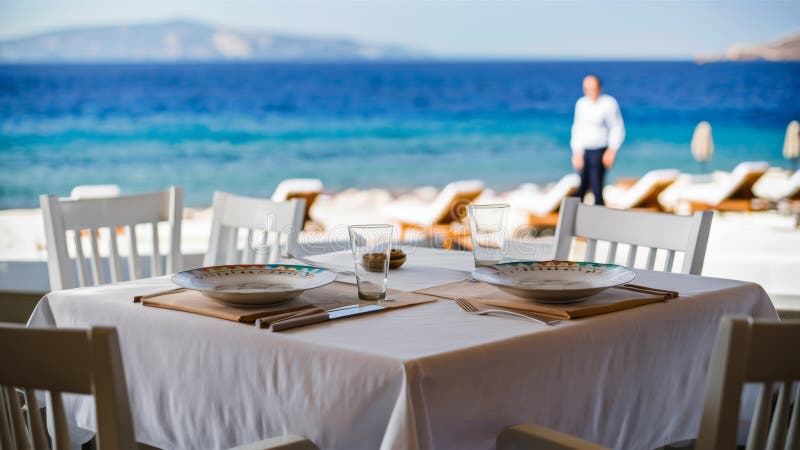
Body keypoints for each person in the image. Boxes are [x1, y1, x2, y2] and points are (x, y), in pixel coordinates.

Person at [570, 75, 625, 206]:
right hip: (584, 151)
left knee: (596, 188)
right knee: (582, 187)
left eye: (592, 88)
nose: (590, 91)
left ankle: (598, 219)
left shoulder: (609, 103)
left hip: (600, 150)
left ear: (599, 88)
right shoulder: (581, 103)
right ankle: (577, 219)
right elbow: (577, 128)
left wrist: (612, 150)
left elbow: (617, 127)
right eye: (586, 88)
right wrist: (576, 152)